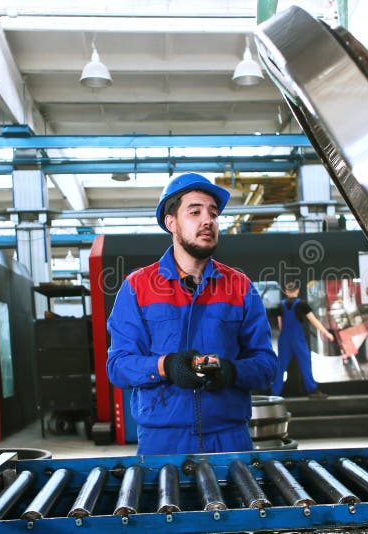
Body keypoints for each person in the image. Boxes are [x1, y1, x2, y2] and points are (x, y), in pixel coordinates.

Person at [106, 172, 278, 455]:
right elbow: (118, 366)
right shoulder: (137, 287)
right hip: (163, 443)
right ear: (171, 222)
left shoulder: (240, 287)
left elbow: (267, 365)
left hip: (229, 440)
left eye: (213, 213)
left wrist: (231, 371)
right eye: (195, 212)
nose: (207, 220)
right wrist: (167, 365)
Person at [272, 281, 335, 399]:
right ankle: (312, 390)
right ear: (297, 291)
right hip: (297, 339)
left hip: (284, 339)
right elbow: (314, 320)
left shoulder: (281, 305)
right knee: (305, 363)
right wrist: (326, 333)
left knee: (281, 365)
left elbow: (280, 325)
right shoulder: (302, 305)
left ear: (286, 292)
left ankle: (274, 392)